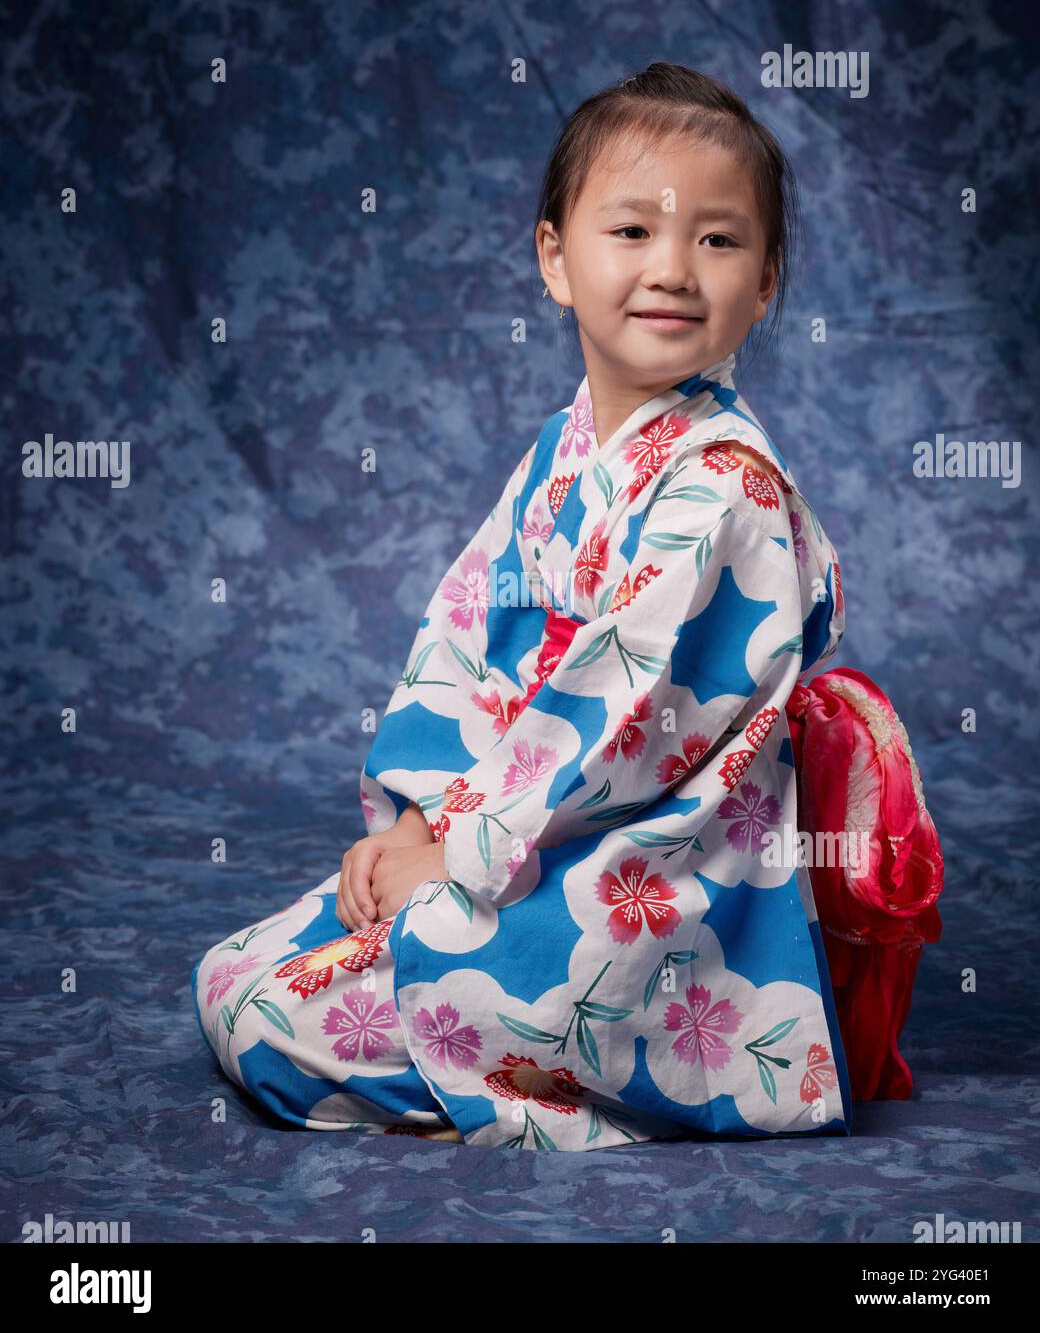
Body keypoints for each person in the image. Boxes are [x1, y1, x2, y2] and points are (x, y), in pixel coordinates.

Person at [192, 62, 860, 1150]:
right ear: (553, 258)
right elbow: (464, 642)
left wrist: (455, 852)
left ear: (768, 280)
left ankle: (565, 1055)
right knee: (234, 969)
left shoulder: (725, 487)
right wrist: (419, 814)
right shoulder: (561, 452)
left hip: (645, 866)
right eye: (631, 230)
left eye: (719, 240)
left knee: (275, 1023)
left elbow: (622, 716)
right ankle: (441, 989)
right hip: (522, 825)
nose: (673, 271)